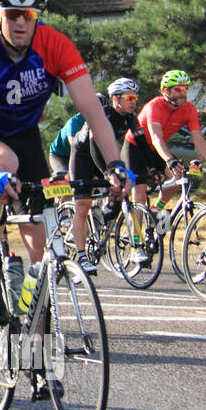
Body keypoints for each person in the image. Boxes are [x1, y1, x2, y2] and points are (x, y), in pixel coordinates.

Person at [0, 0, 130, 333]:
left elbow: (93, 112)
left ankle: (35, 338)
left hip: (24, 133)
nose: (20, 22)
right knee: (4, 163)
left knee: (39, 239)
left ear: (38, 16)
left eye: (28, 15)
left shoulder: (55, 45)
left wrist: (115, 164)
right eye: (12, 13)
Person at [120, 69, 206, 264]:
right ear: (166, 90)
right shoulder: (155, 105)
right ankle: (135, 245)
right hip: (136, 147)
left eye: (185, 89)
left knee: (176, 180)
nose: (183, 93)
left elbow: (199, 141)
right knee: (140, 194)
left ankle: (156, 209)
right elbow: (155, 137)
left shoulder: (188, 109)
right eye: (178, 89)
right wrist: (170, 160)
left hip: (157, 150)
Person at [67, 85, 137, 274]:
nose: (133, 101)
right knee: (83, 205)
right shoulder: (100, 116)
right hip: (82, 158)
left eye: (135, 97)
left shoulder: (129, 118)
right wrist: (109, 173)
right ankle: (82, 256)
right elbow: (95, 148)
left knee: (120, 190)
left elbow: (139, 145)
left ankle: (103, 217)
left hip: (103, 159)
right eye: (129, 97)